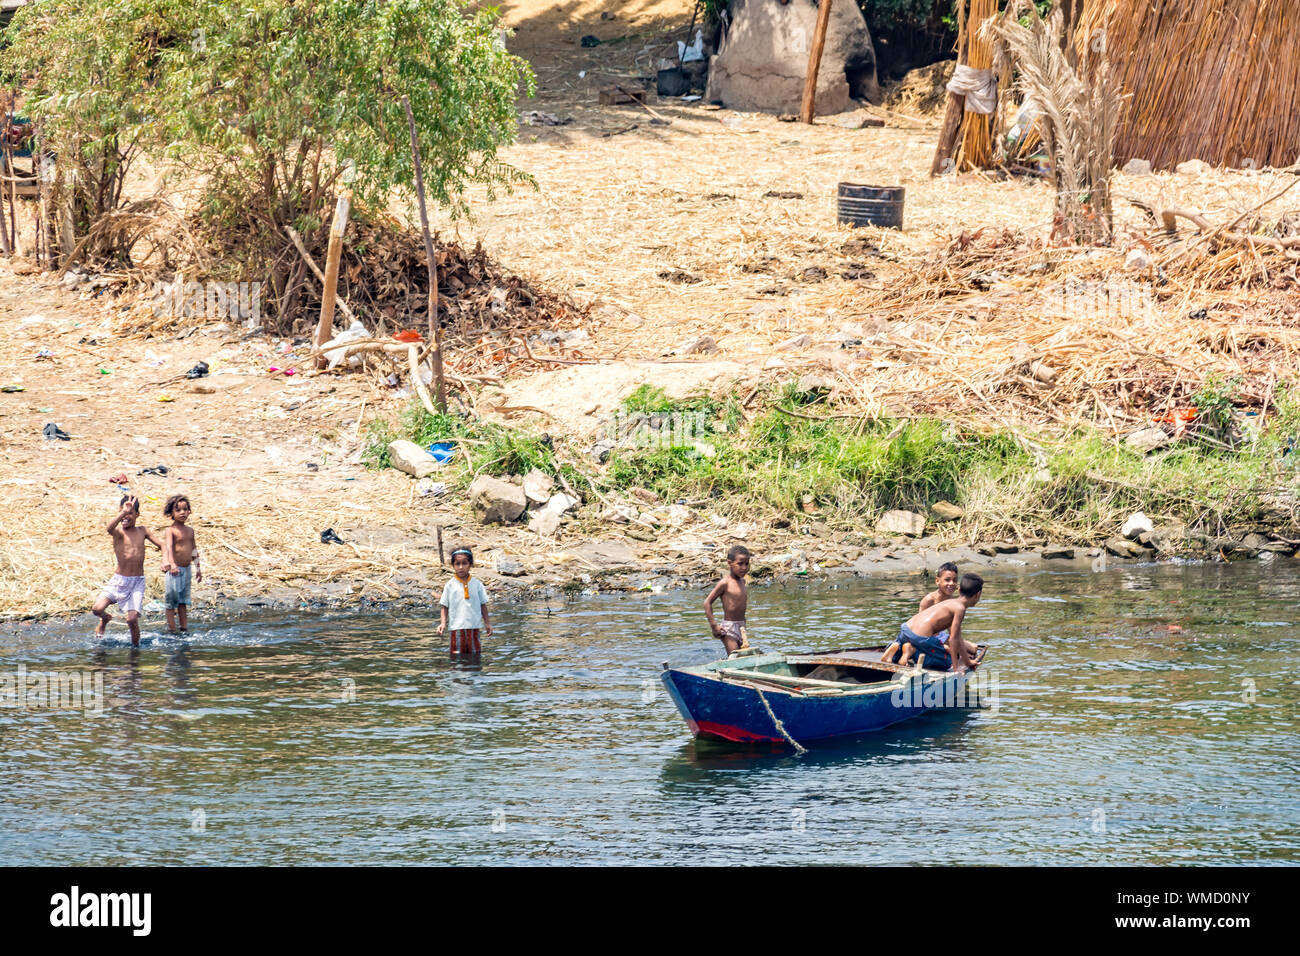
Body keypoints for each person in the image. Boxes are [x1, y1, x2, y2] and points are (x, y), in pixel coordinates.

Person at [91, 495, 164, 646]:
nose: (126, 516)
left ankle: (135, 651)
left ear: (137, 514)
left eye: (130, 513)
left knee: (131, 620)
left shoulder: (142, 531)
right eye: (123, 512)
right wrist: (123, 512)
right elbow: (109, 528)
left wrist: (166, 560)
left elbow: (163, 545)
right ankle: (105, 618)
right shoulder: (118, 532)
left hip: (136, 582)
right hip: (119, 580)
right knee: (97, 609)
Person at [894, 572, 984, 672]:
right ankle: (913, 650)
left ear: (958, 590)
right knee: (946, 661)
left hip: (906, 628)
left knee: (896, 657)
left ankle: (895, 651)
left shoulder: (951, 602)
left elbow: (957, 638)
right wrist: (956, 667)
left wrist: (967, 661)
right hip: (919, 637)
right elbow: (953, 640)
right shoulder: (960, 608)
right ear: (978, 594)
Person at [881, 561, 963, 664]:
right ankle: (910, 649)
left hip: (935, 635)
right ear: (937, 581)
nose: (951, 583)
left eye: (954, 580)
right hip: (924, 636)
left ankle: (899, 648)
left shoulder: (951, 601)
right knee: (948, 657)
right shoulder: (930, 599)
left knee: (963, 646)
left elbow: (952, 631)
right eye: (947, 580)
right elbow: (920, 624)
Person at [436, 546, 492, 655]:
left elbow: (483, 605)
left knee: (475, 655)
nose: (461, 567)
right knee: (456, 655)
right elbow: (444, 606)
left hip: (474, 627)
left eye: (464, 563)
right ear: (453, 565)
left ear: (470, 564)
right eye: (457, 564)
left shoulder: (477, 584)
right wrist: (443, 623)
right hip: (456, 628)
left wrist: (487, 623)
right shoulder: (450, 585)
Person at [160, 494, 202, 634]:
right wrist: (172, 564)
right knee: (171, 600)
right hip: (175, 570)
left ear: (189, 511)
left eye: (185, 509)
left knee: (183, 600)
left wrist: (198, 568)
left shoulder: (190, 530)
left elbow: (194, 549)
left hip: (186, 568)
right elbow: (169, 547)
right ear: (171, 513)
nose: (183, 512)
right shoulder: (170, 530)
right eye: (178, 510)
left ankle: (184, 628)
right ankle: (172, 628)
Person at [704, 544, 751, 655]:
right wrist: (714, 626)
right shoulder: (725, 583)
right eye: (740, 564)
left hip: (741, 627)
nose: (744, 567)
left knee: (744, 657)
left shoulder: (742, 582)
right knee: (735, 657)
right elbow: (707, 602)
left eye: (747, 564)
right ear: (729, 563)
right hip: (729, 629)